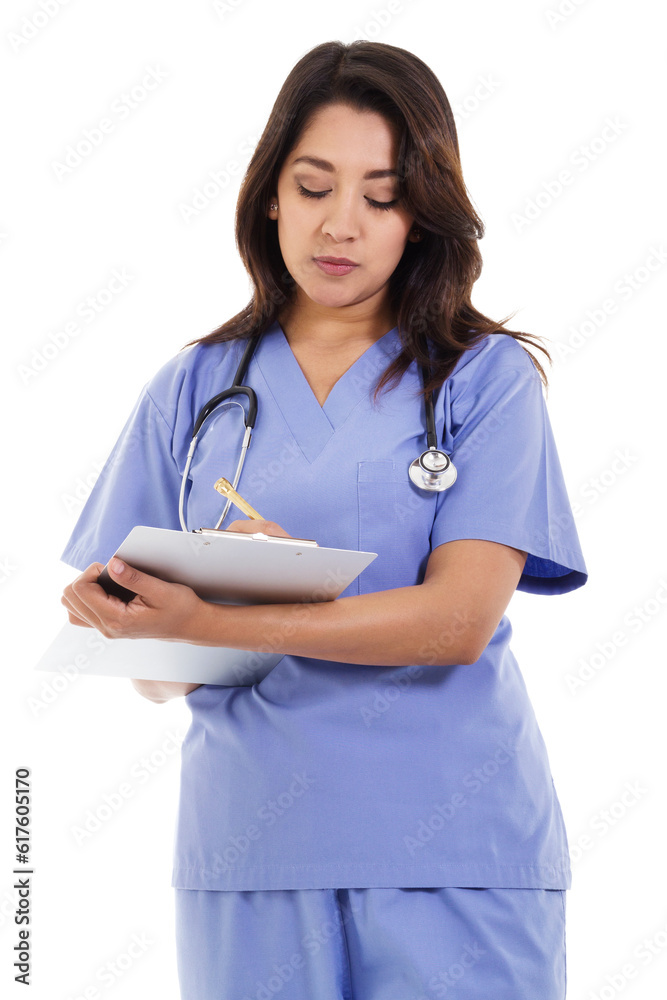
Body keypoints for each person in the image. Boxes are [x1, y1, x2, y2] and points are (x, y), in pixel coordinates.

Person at [59, 39, 587, 1000]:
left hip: (454, 851)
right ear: (269, 194)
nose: (340, 225)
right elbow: (151, 675)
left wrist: (213, 618)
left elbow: (455, 623)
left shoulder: (483, 380)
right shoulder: (193, 387)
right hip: (251, 854)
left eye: (380, 197)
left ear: (420, 215)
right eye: (312, 187)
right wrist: (141, 618)